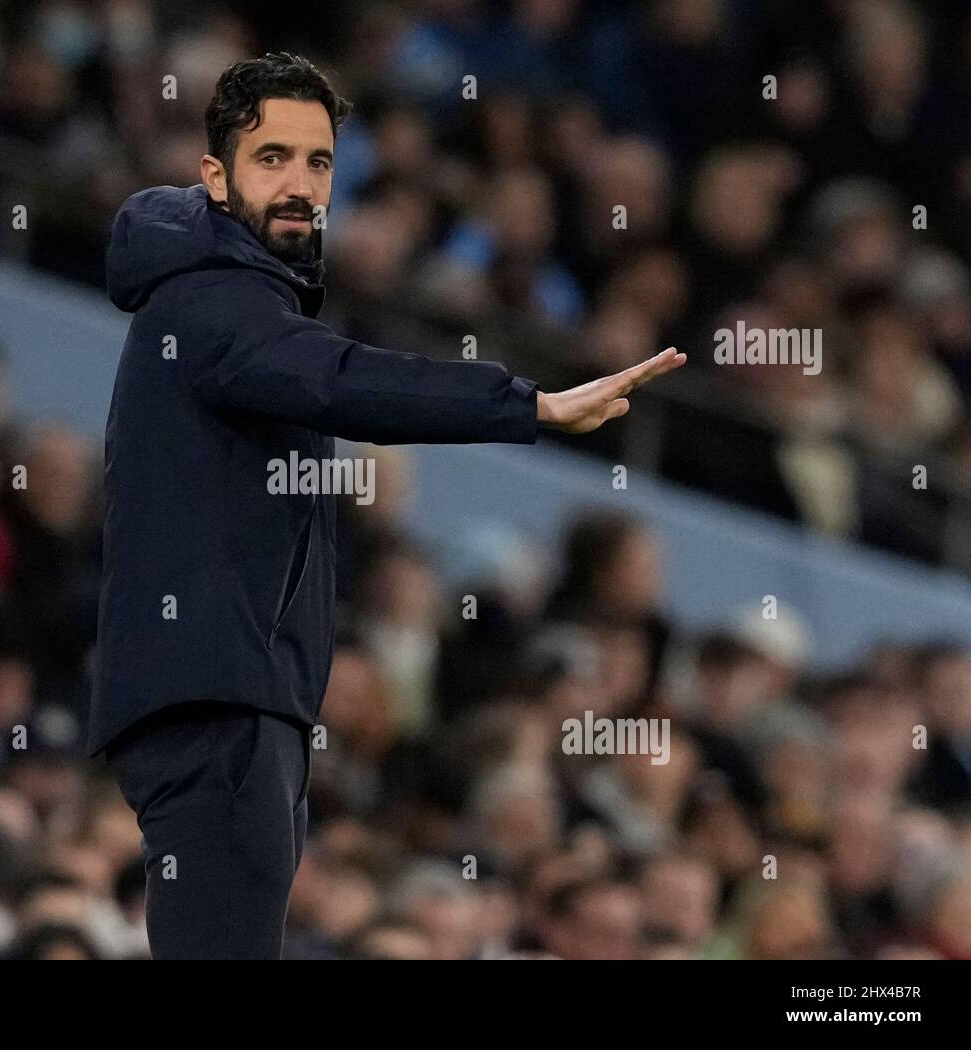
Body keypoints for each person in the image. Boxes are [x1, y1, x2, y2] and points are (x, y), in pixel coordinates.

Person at [89, 52, 686, 960]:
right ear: (215, 177)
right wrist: (528, 404)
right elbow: (343, 380)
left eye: (319, 163)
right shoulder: (214, 300)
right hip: (220, 695)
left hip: (236, 692)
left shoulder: (226, 297)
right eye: (272, 158)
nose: (299, 185)